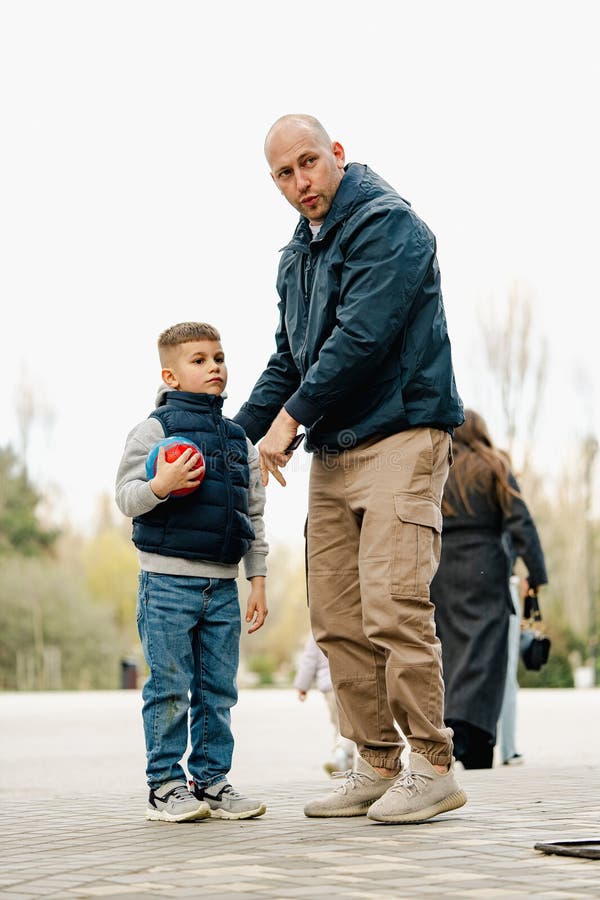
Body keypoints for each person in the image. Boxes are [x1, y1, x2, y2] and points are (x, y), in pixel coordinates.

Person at [234, 114, 467, 824]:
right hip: (334, 452)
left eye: (309, 162)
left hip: (401, 436)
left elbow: (362, 336)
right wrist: (230, 438)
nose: (300, 182)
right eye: (284, 173)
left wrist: (291, 418)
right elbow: (290, 358)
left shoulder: (389, 224)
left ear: (337, 154)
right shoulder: (295, 257)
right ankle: (374, 762)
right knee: (337, 619)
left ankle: (432, 764)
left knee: (394, 605)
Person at [115, 321, 269, 822]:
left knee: (218, 690)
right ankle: (165, 786)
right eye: (199, 360)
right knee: (169, 687)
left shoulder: (238, 439)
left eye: (219, 358)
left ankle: (212, 781)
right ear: (171, 375)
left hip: (223, 586)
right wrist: (161, 484)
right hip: (165, 583)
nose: (214, 368)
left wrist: (258, 580)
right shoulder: (153, 431)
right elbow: (126, 500)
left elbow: (254, 515)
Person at [430, 409, 548, 769]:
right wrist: (537, 574)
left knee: (445, 650)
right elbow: (520, 521)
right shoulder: (494, 465)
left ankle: (448, 726)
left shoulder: (437, 466)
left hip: (442, 568)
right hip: (486, 566)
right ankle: (475, 734)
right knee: (486, 653)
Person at [294, 632, 356, 775]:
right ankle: (342, 756)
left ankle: (343, 759)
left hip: (329, 686)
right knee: (350, 723)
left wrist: (303, 685)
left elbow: (309, 659)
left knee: (339, 724)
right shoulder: (351, 620)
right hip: (351, 682)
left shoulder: (317, 627)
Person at [497, 571, 526, 766]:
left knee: (462, 669)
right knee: (507, 673)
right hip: (503, 587)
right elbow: (525, 540)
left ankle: (463, 744)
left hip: (460, 588)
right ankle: (508, 749)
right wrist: (537, 576)